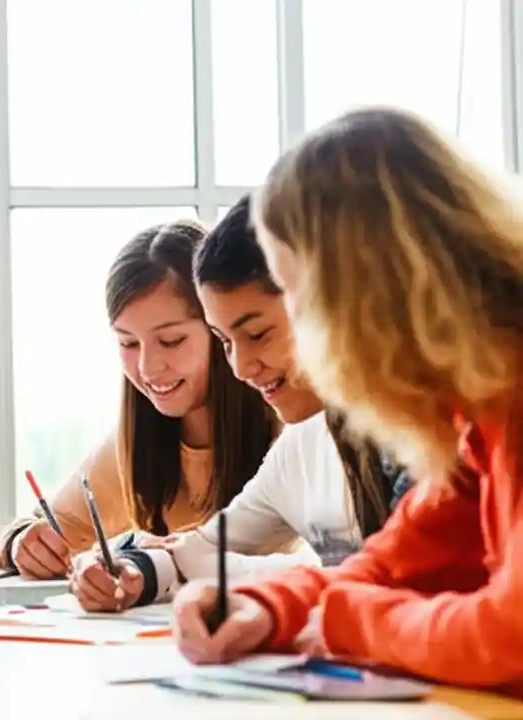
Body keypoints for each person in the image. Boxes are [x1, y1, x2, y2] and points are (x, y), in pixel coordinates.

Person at [174, 107, 523, 697]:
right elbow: (396, 561)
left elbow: (508, 634)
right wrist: (267, 607)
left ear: (364, 291)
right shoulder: (480, 402)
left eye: (298, 299)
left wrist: (347, 621)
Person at [70, 197, 412, 612]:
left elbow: (399, 582)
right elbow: (200, 552)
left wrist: (272, 592)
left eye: (258, 335)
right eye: (226, 342)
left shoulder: (427, 438)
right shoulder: (301, 446)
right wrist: (130, 570)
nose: (241, 368)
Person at [0, 220, 279, 586]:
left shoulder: (288, 427)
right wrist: (26, 542)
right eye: (128, 343)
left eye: (172, 341)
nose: (148, 368)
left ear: (220, 328)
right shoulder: (134, 446)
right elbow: (48, 527)